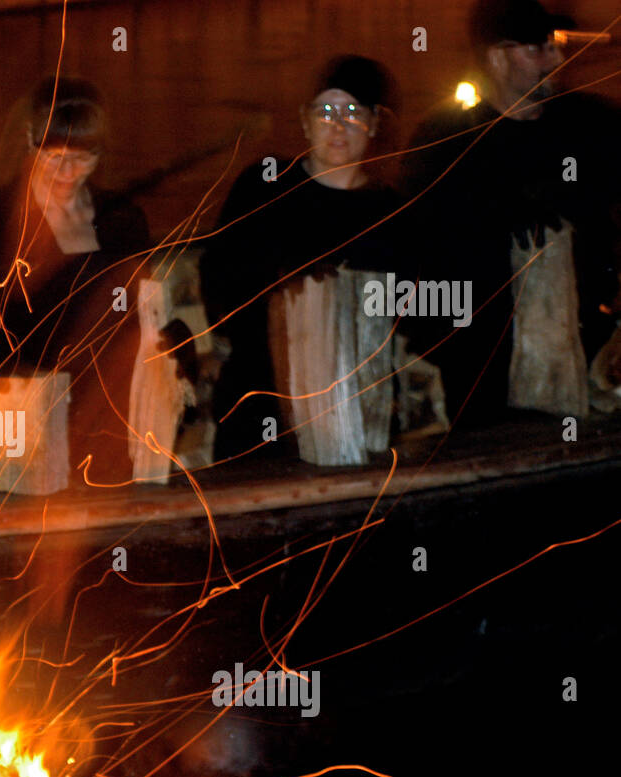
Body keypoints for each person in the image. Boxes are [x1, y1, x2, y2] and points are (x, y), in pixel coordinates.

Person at [401, 0, 621, 426]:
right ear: (498, 58)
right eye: (536, 49)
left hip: (589, 379)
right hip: (482, 387)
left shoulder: (591, 127)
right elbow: (417, 257)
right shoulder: (444, 143)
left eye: (553, 46)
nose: (554, 59)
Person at [0, 76, 150, 482]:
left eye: (84, 157)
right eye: (54, 154)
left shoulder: (122, 222)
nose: (68, 171)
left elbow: (139, 322)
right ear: (29, 140)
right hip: (11, 435)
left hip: (102, 429)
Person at [202, 55, 406, 462]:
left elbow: (407, 309)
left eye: (353, 112)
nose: (338, 124)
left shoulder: (391, 212)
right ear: (305, 119)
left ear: (375, 124)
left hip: (357, 411)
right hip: (261, 403)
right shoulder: (265, 184)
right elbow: (218, 276)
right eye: (325, 110)